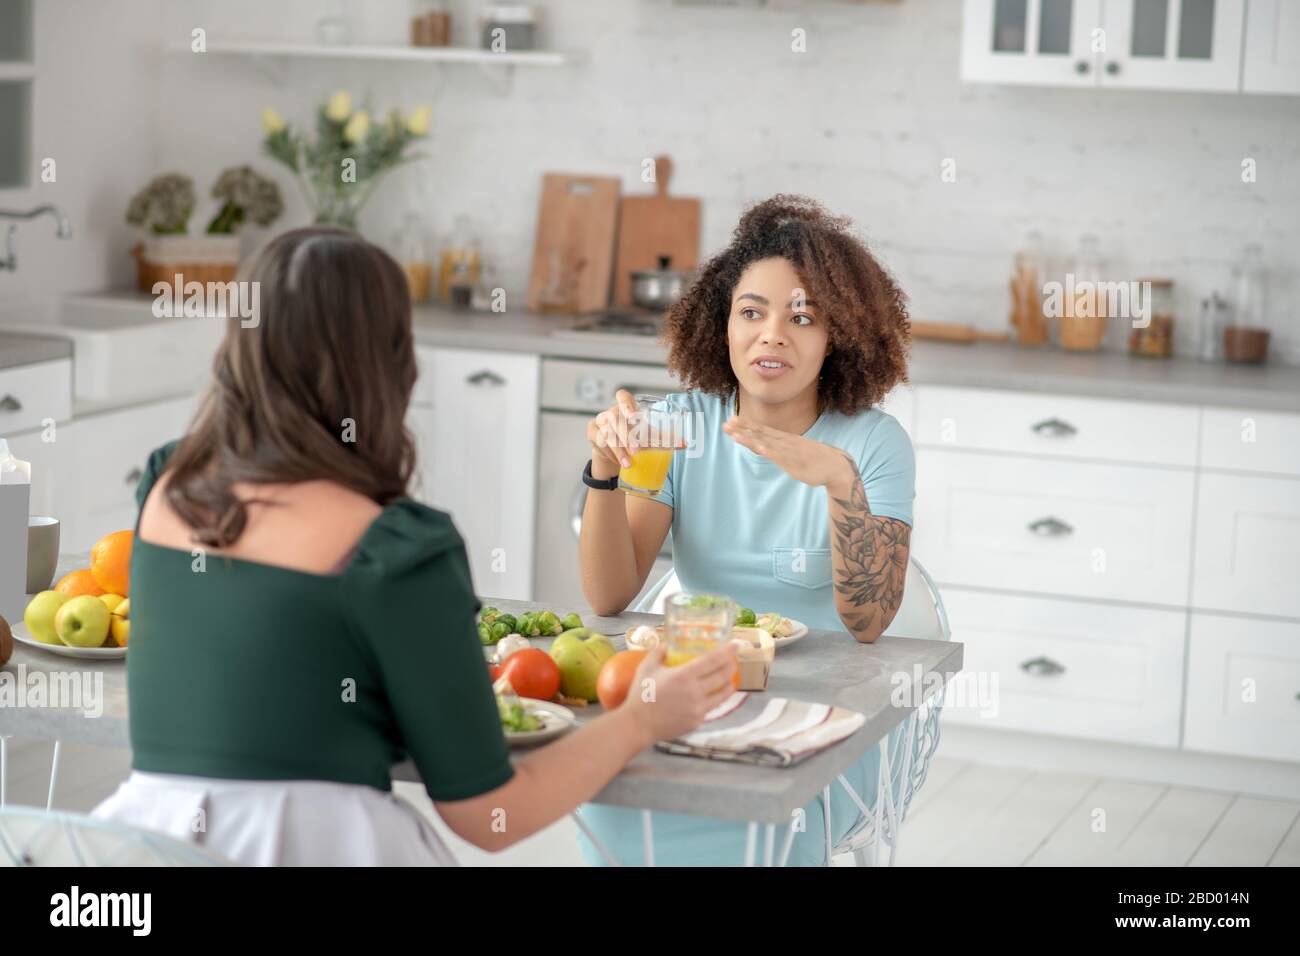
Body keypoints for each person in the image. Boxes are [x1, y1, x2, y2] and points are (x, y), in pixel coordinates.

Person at [93, 227, 737, 866]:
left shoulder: (166, 484)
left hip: (143, 852)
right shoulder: (398, 549)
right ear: (389, 362)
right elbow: (490, 815)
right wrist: (641, 720)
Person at [576, 195, 915, 865]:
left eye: (803, 317)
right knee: (606, 796)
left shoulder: (875, 444)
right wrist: (604, 469)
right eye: (752, 312)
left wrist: (839, 483)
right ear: (721, 325)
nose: (772, 336)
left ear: (838, 334)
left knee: (774, 831)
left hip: (829, 726)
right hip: (696, 702)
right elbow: (609, 597)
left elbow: (870, 622)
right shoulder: (682, 426)